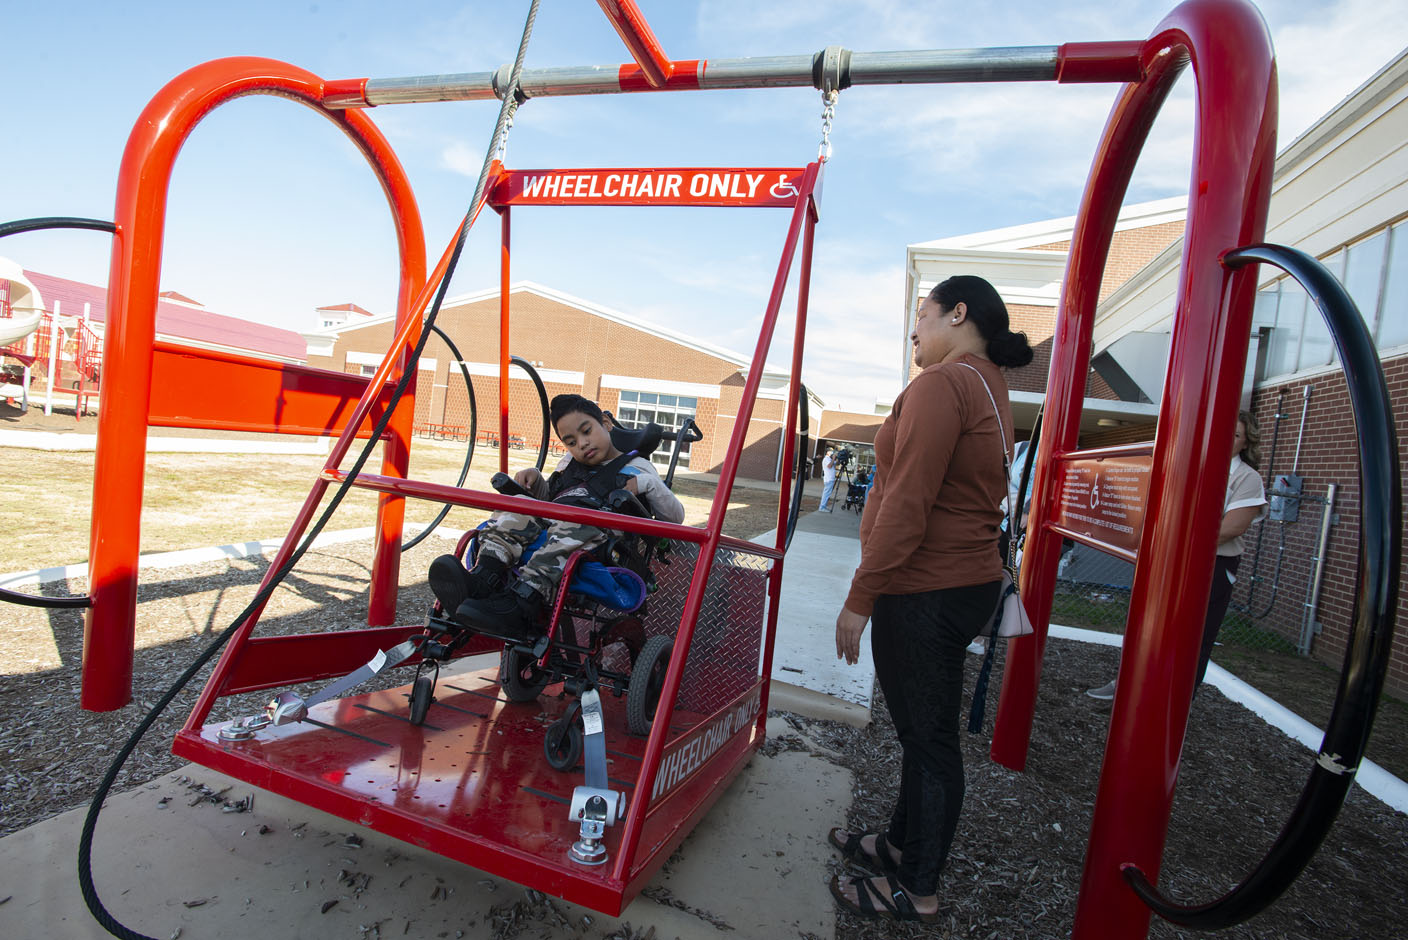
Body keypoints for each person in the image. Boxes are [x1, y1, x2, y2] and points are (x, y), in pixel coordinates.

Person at [827, 275, 1033, 923]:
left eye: (921, 313)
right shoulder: (987, 384)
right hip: (960, 581)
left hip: (926, 587)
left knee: (930, 741)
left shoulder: (944, 385)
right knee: (922, 735)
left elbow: (908, 503)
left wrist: (861, 597)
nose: (914, 328)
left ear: (957, 312)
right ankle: (897, 844)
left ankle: (918, 889)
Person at [428, 393, 685, 642]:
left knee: (578, 519)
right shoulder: (569, 464)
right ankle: (484, 578)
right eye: (571, 442)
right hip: (558, 523)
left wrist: (648, 484)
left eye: (587, 431)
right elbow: (550, 502)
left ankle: (524, 600)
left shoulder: (638, 468)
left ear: (606, 424)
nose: (581, 444)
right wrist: (537, 481)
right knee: (518, 503)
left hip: (600, 537)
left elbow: (675, 519)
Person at [1085, 410, 1267, 700]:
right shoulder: (1192, 467)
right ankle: (1128, 684)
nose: (1225, 439)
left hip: (1212, 566)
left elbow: (1232, 527)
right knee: (1150, 624)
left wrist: (1177, 539)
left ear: (1246, 443)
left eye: (1235, 435)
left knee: (1194, 636)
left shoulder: (1247, 477)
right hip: (1170, 558)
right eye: (1222, 432)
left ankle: (1176, 699)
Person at [819, 447, 838, 512]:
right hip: (828, 479)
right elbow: (829, 466)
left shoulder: (829, 459)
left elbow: (836, 463)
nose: (832, 453)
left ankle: (823, 506)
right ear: (828, 452)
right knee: (826, 494)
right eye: (831, 451)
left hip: (831, 479)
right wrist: (833, 459)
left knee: (827, 494)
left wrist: (837, 458)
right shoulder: (826, 459)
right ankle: (822, 507)